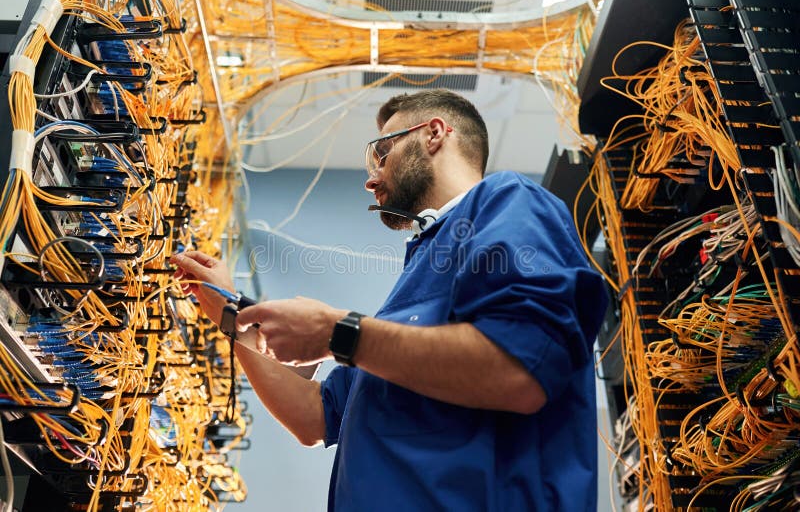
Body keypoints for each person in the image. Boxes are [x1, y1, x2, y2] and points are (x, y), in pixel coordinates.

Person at [171, 89, 608, 511]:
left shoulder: (507, 202)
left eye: (382, 153)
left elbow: (520, 371)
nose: (370, 177)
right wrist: (231, 314)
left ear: (434, 134)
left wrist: (339, 332)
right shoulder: (413, 287)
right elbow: (312, 417)